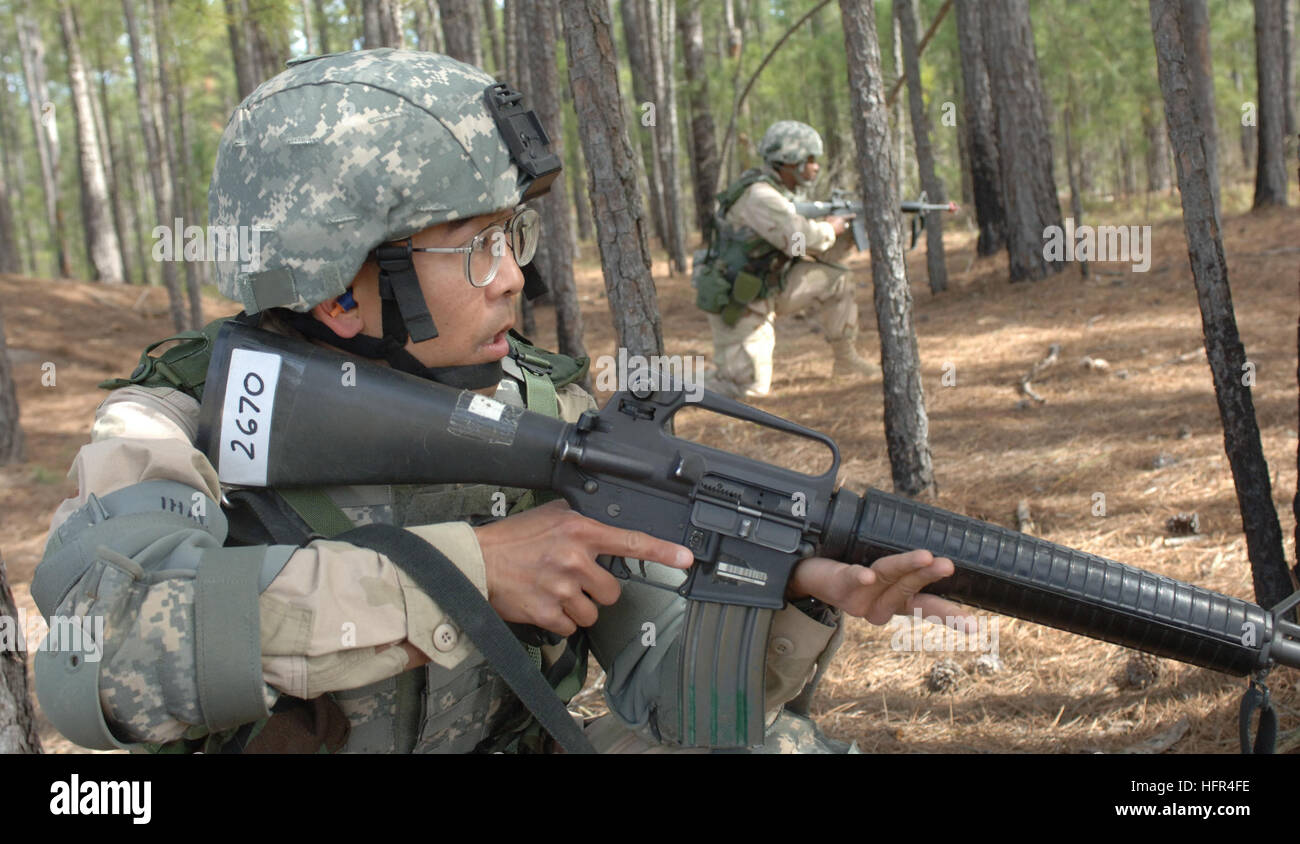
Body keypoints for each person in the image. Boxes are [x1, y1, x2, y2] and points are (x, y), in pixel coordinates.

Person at [32, 50, 963, 754]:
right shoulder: (179, 418)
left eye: (512, 234)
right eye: (474, 245)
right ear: (340, 288)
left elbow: (685, 700)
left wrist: (782, 593)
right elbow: (102, 657)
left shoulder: (543, 414)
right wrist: (468, 572)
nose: (514, 277)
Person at [697, 120, 879, 400]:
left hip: (767, 286)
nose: (816, 166)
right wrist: (830, 228)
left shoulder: (779, 195)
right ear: (790, 161)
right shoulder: (760, 196)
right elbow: (797, 240)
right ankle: (667, 385)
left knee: (837, 280)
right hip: (739, 300)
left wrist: (845, 235)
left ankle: (846, 360)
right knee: (746, 388)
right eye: (810, 159)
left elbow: (818, 253)